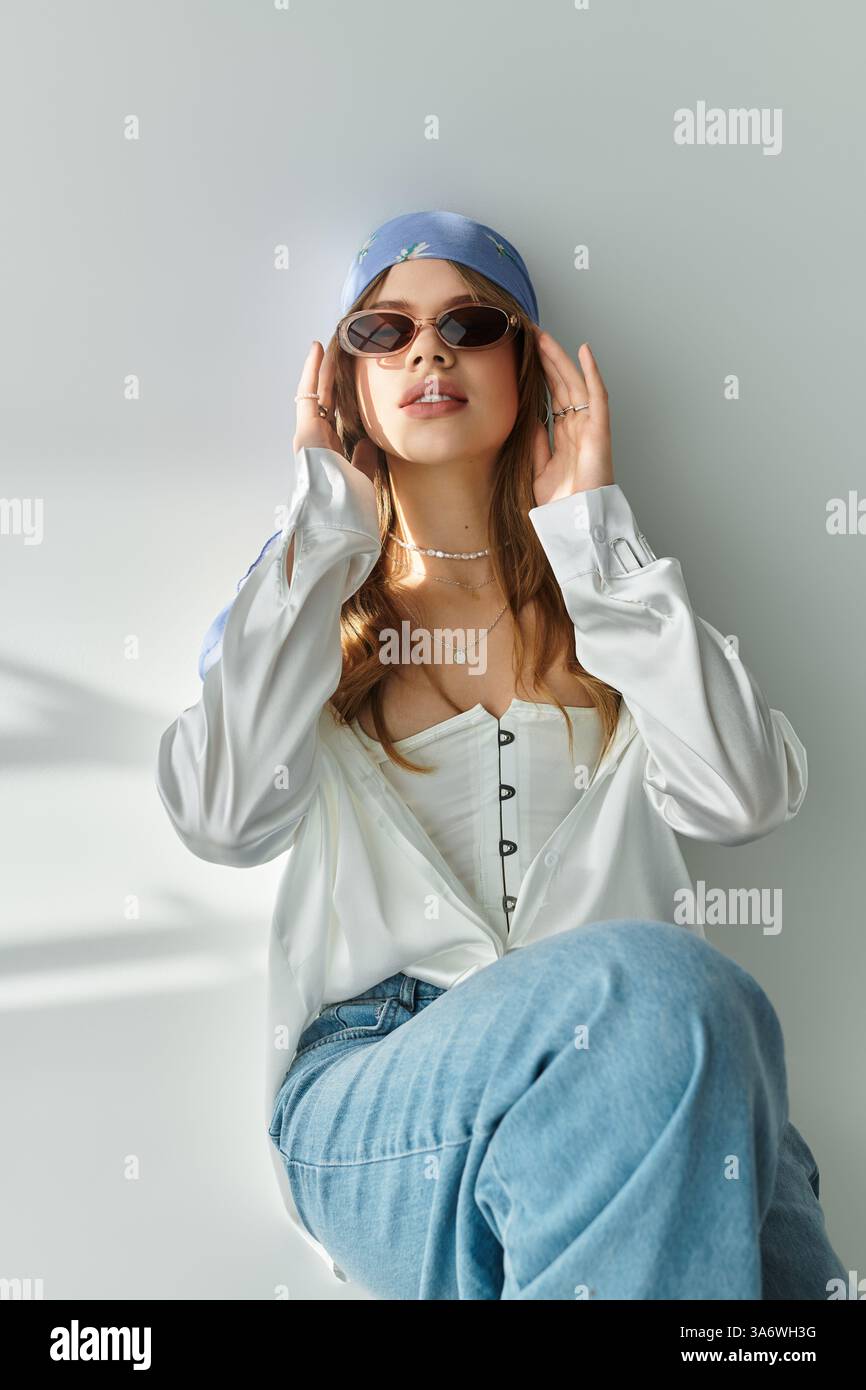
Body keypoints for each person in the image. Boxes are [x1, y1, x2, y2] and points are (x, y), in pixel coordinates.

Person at [156, 209, 846, 1299]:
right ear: (345, 385)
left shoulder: (611, 609)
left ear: (524, 368)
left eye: (467, 323)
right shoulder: (300, 617)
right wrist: (326, 524)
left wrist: (596, 541)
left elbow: (744, 795)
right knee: (668, 995)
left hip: (654, 1071)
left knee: (778, 1251)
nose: (426, 351)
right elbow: (220, 818)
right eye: (382, 333)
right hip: (381, 1099)